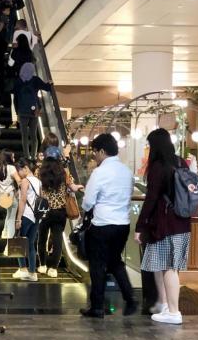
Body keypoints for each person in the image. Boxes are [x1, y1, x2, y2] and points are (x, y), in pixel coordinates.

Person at [134, 128, 191, 325]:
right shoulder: (180, 162)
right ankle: (166, 306)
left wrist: (140, 226)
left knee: (169, 268)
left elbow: (151, 199)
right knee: (165, 266)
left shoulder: (159, 167)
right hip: (182, 222)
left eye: (149, 145)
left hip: (166, 224)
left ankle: (174, 312)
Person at [80, 134, 137, 318]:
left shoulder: (100, 172)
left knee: (97, 265)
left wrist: (87, 208)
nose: (94, 156)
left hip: (102, 224)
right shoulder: (127, 171)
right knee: (115, 261)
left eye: (95, 152)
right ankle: (130, 297)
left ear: (102, 151)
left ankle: (97, 307)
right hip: (122, 225)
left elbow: (88, 201)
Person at [37, 146, 84, 278]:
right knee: (57, 239)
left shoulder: (39, 172)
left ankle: (42, 265)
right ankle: (53, 269)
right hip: (60, 211)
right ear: (58, 158)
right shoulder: (64, 172)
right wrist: (79, 187)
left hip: (44, 210)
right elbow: (73, 187)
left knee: (42, 238)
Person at [13, 62, 53, 159]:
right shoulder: (35, 80)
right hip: (33, 112)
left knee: (24, 136)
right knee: (34, 135)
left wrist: (17, 113)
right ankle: (34, 156)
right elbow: (47, 88)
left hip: (22, 112)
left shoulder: (18, 81)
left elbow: (15, 99)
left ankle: (26, 156)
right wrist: (50, 83)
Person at [13, 157, 41, 282]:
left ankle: (23, 269)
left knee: (19, 241)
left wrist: (18, 218)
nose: (18, 173)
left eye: (19, 170)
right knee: (30, 244)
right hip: (35, 217)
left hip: (26, 215)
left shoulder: (25, 181)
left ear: (25, 168)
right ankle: (32, 272)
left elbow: (23, 200)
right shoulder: (38, 181)